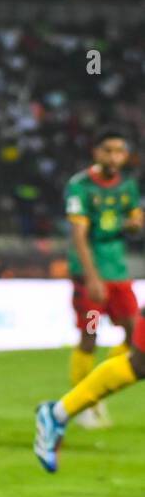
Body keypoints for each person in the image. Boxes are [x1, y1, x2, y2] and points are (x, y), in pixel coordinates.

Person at [60, 129, 143, 429]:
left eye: (119, 151)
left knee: (135, 333)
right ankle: (80, 403)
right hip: (91, 277)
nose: (114, 157)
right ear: (96, 152)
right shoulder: (81, 186)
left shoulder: (127, 186)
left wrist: (134, 225)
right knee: (90, 334)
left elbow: (130, 224)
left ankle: (100, 384)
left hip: (118, 273)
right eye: (107, 150)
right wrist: (92, 278)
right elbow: (79, 237)